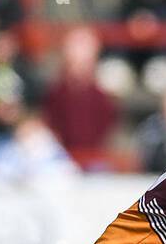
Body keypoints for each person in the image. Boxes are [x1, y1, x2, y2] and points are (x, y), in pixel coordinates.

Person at [41, 26, 121, 170]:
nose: (79, 55)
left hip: (95, 160)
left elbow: (107, 130)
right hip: (61, 159)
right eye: (75, 46)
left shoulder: (104, 95)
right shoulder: (55, 92)